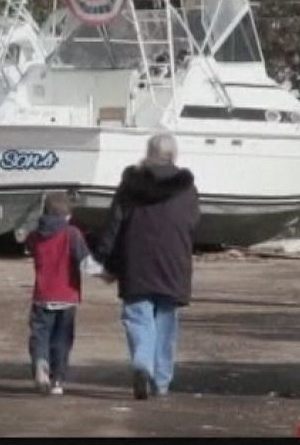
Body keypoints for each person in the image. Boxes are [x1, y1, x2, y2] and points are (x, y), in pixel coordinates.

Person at [92, 133, 200, 400]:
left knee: (138, 318)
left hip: (136, 263)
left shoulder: (131, 186)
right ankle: (161, 382)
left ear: (148, 154)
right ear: (173, 155)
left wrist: (105, 260)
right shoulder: (187, 189)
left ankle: (142, 361)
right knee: (166, 323)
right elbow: (193, 223)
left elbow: (114, 226)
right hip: (174, 264)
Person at [26, 192, 94, 396]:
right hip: (67, 296)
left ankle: (40, 363)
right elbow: (85, 262)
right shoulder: (72, 233)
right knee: (62, 340)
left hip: (42, 295)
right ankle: (57, 380)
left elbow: (29, 246)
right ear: (67, 215)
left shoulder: (35, 236)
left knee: (40, 336)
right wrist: (106, 272)